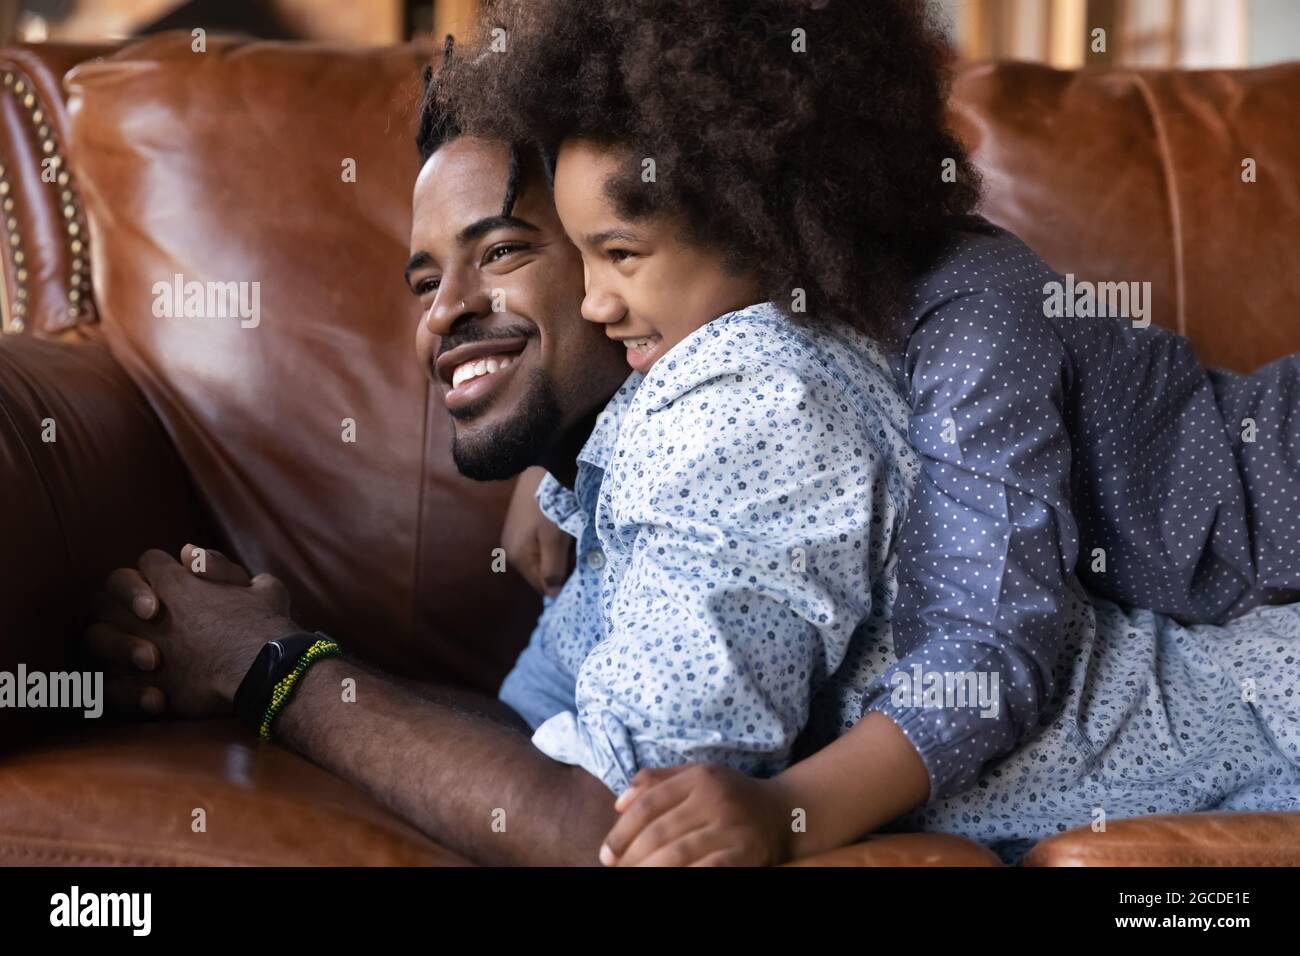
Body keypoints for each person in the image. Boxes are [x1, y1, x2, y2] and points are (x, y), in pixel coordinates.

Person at [433, 0, 1300, 864]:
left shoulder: (974, 315)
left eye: (619, 255)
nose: (593, 302)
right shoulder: (751, 338)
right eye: (580, 257)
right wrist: (552, 476)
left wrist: (787, 810)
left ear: (756, 219)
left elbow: (991, 637)